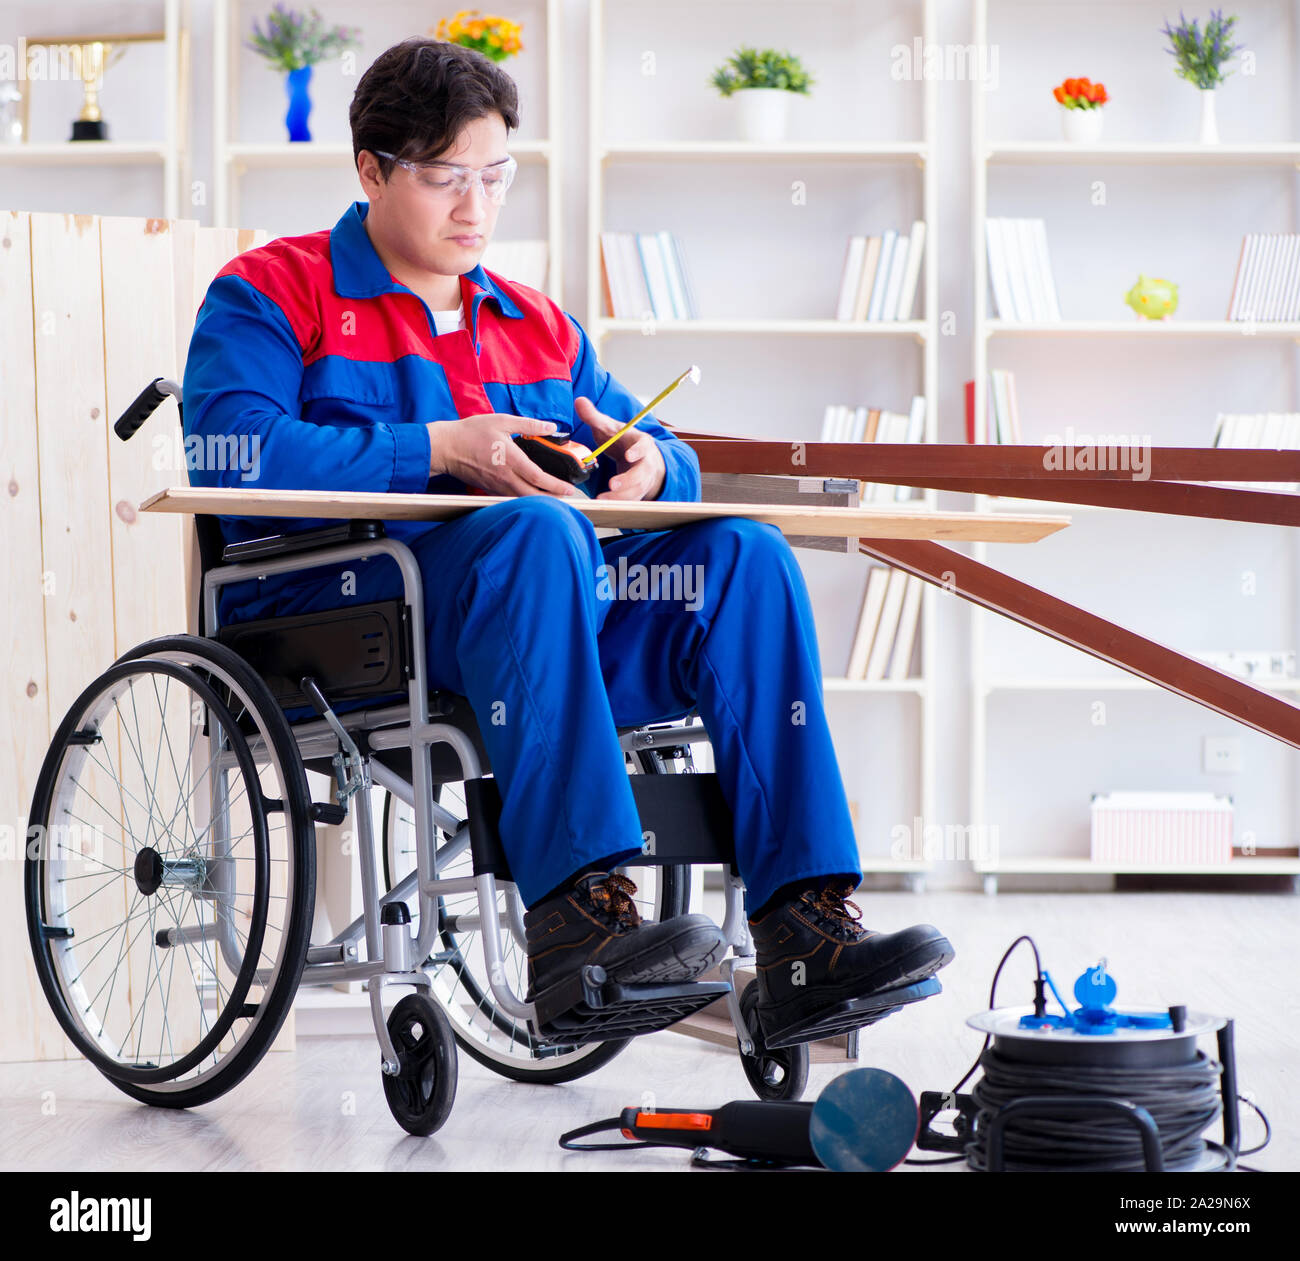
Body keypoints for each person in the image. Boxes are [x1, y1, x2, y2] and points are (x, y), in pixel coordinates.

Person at [182, 37, 953, 1041]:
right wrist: (439, 445)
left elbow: (650, 438)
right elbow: (231, 456)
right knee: (538, 532)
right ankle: (577, 924)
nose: (475, 208)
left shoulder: (537, 326)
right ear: (370, 171)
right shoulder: (272, 291)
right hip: (352, 621)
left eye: (495, 177)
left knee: (746, 556)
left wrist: (654, 467)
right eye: (445, 179)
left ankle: (803, 927)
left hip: (539, 625)